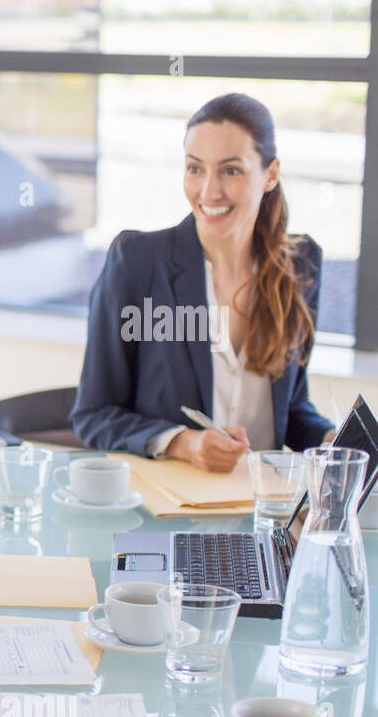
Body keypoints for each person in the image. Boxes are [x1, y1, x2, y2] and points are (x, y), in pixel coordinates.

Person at [70, 93, 333, 472]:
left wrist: (327, 439)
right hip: (170, 511)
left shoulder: (301, 265)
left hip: (263, 511)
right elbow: (93, 415)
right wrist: (181, 443)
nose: (209, 192)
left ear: (270, 175)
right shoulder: (139, 263)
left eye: (230, 170)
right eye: (195, 169)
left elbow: (290, 408)